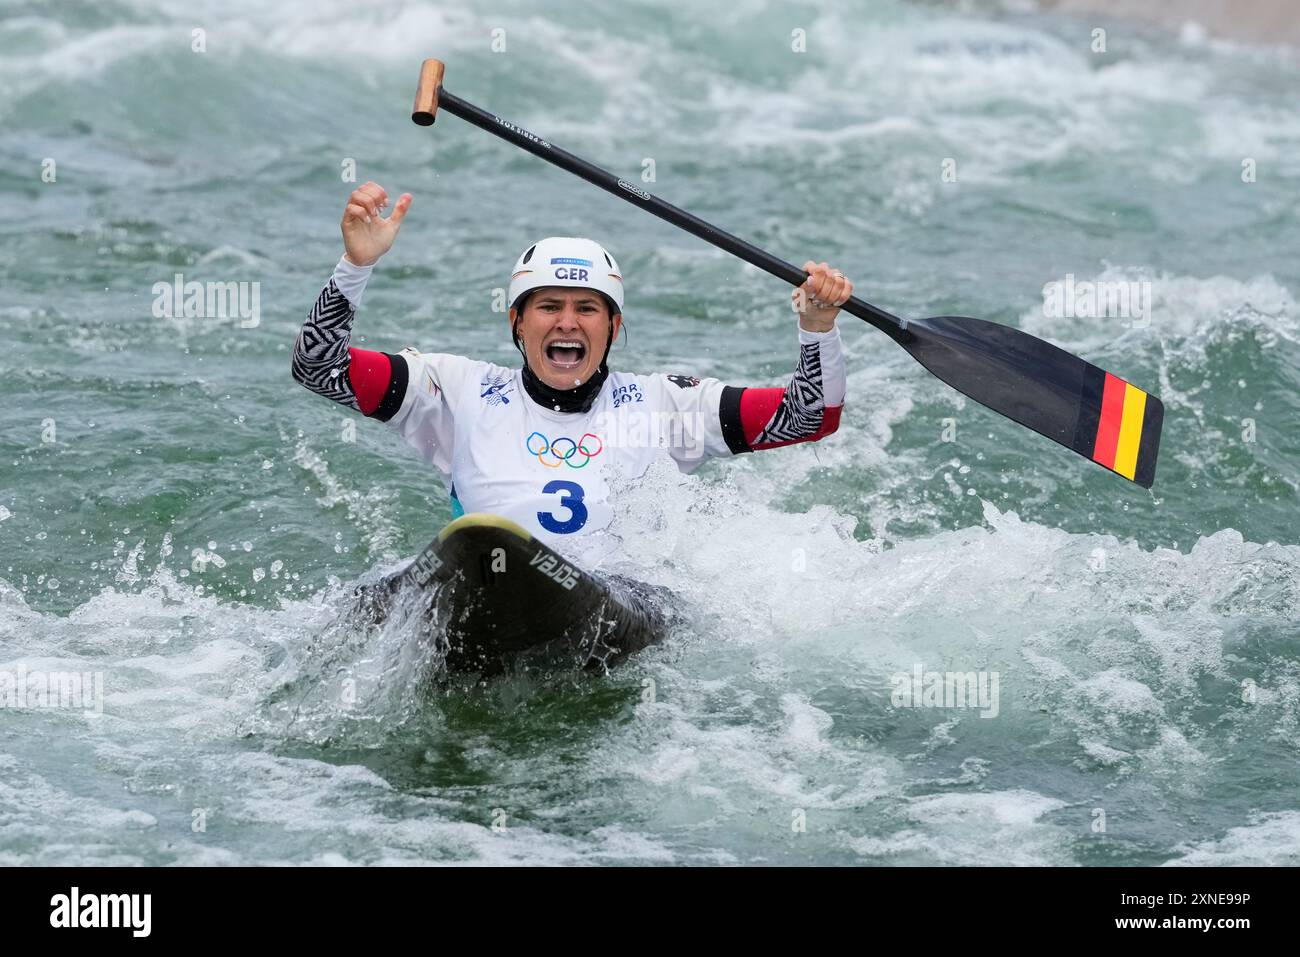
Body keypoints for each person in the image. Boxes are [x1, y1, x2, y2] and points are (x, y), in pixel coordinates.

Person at [292, 182, 852, 551]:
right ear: (516, 322)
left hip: (615, 606)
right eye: (548, 307)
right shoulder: (455, 390)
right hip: (488, 577)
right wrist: (354, 267)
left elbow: (809, 418)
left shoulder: (664, 404)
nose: (567, 323)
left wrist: (818, 328)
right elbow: (317, 366)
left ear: (613, 328)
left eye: (587, 309)